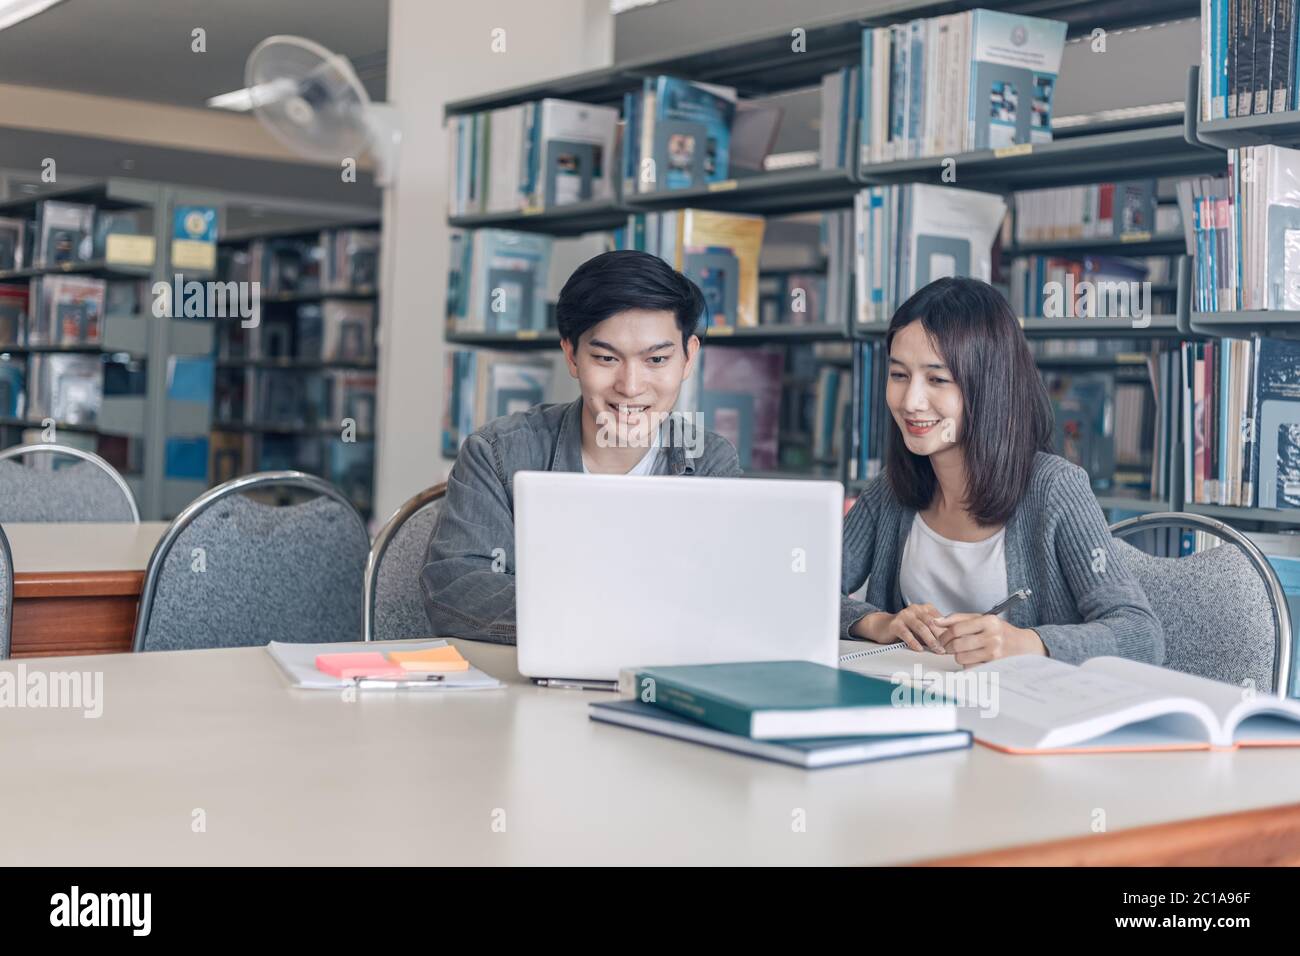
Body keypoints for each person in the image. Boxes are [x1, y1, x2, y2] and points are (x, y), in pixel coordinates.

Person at [841, 276, 1163, 667]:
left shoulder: (1054, 489)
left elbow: (1141, 635)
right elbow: (801, 589)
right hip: (914, 708)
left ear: (987, 386)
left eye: (937, 379)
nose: (911, 401)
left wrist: (1028, 643)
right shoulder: (891, 491)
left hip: (1026, 718)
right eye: (899, 375)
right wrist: (875, 623)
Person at [422, 249, 741, 643]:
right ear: (572, 355)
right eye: (606, 358)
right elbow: (459, 589)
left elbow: (737, 589)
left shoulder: (709, 460)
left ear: (688, 357)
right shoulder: (498, 454)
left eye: (656, 359)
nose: (630, 385)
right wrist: (616, 619)